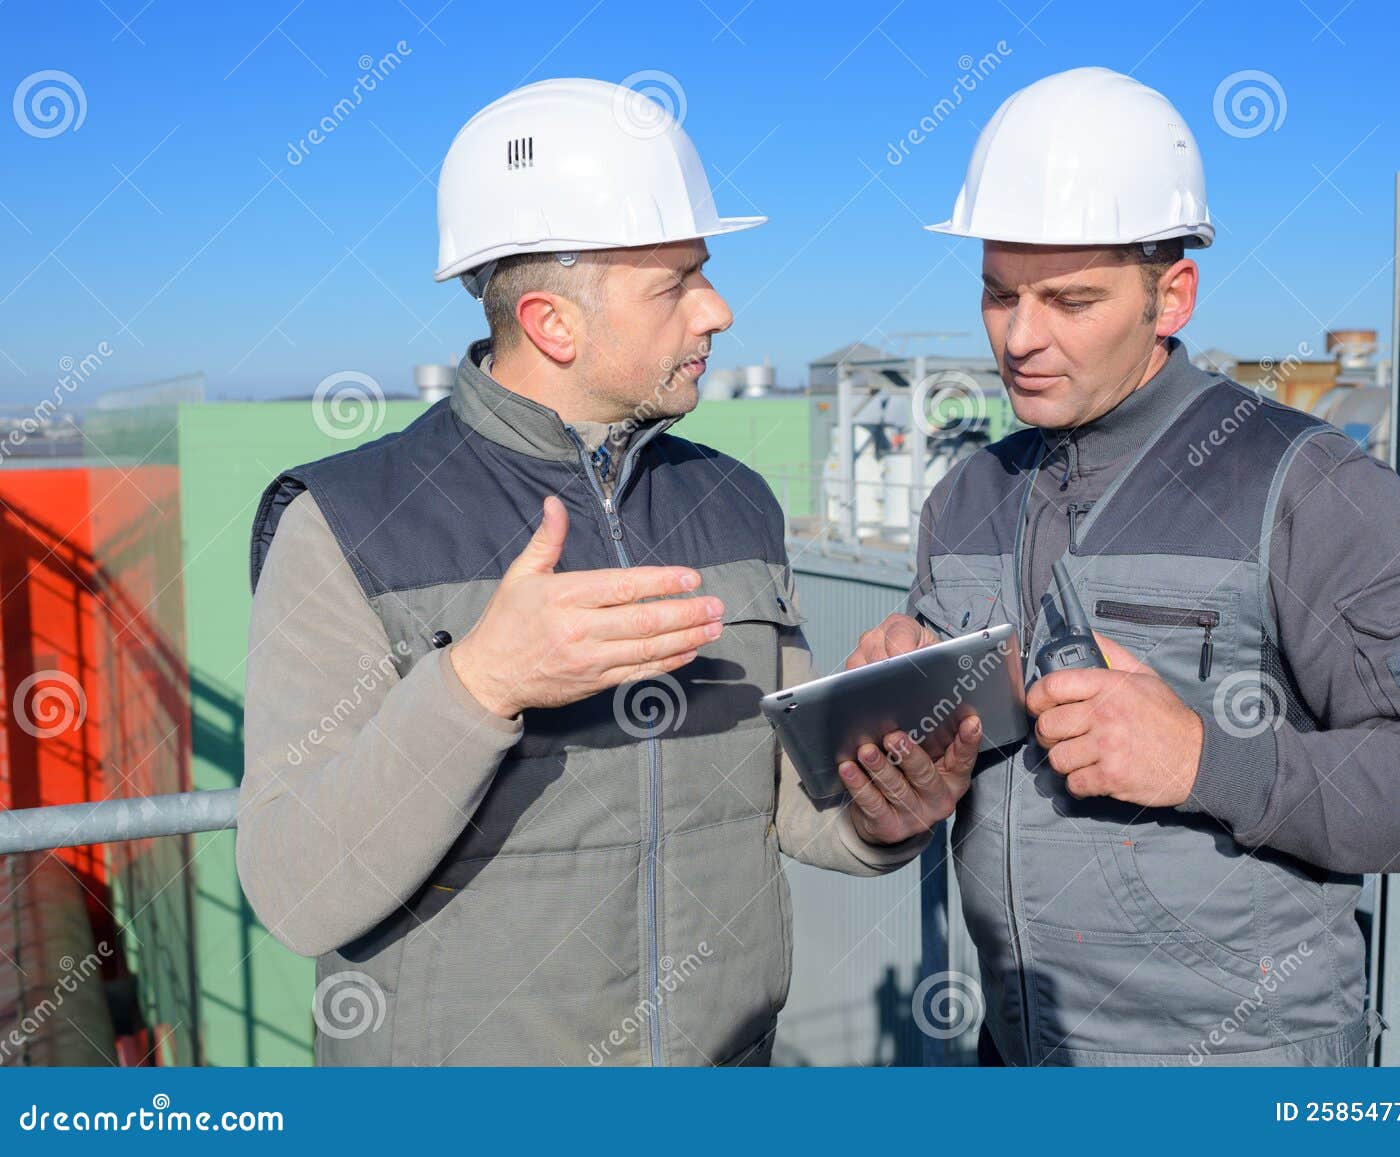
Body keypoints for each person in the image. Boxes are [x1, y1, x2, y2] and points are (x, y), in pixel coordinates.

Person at [236, 78, 976, 1066]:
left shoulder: (735, 502)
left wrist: (889, 810)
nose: (717, 310)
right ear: (553, 323)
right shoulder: (345, 523)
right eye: (676, 283)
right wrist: (480, 683)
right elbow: (299, 886)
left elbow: (790, 806)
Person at [848, 67, 1400, 1066]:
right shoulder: (967, 495)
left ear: (1172, 294)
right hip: (1014, 1049)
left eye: (1069, 299)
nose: (1021, 337)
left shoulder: (1309, 483)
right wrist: (900, 736)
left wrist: (1210, 759)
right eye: (997, 295)